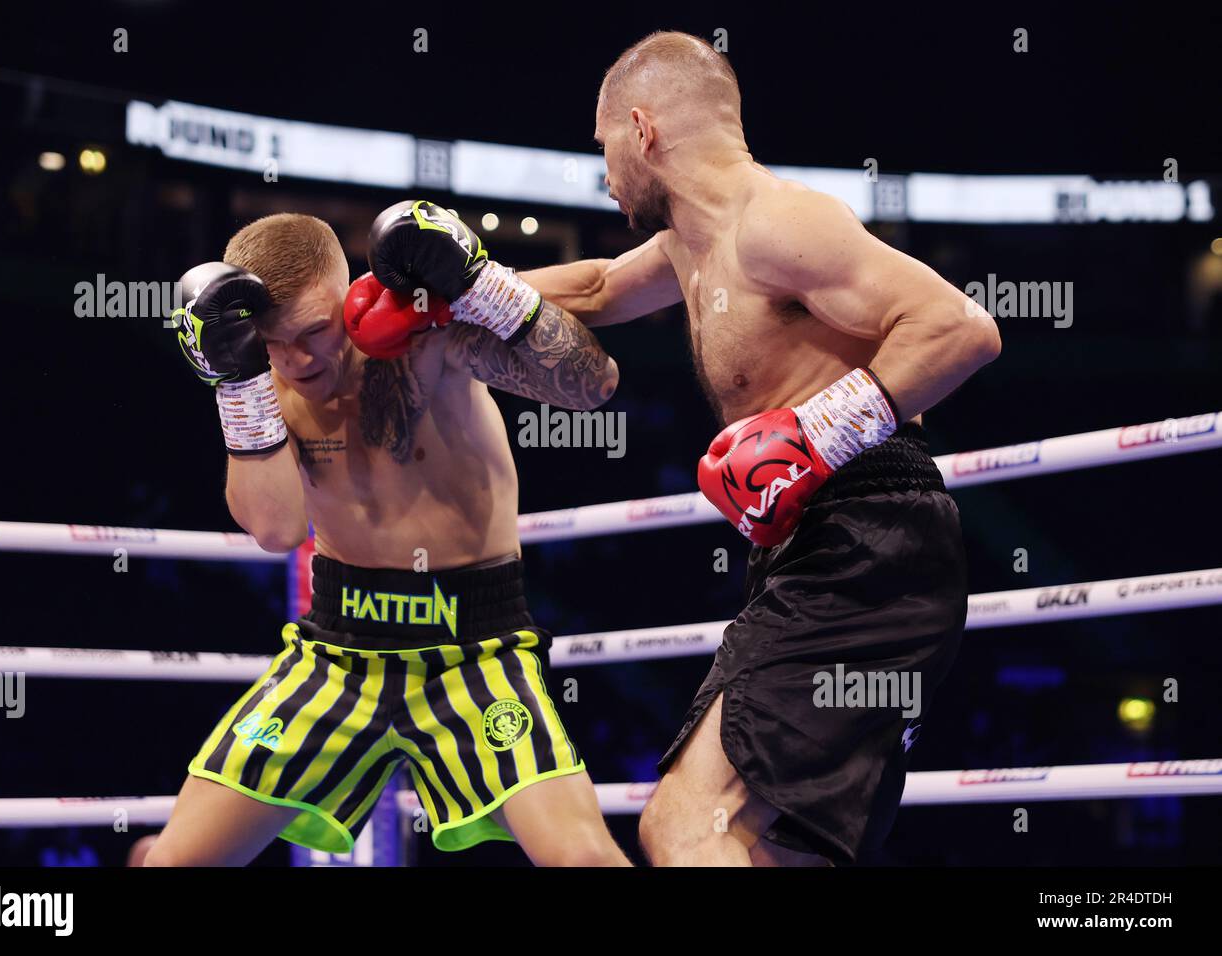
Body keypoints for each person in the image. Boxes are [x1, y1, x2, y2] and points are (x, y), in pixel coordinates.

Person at [520, 31, 1002, 865]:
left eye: (602, 147)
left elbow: (962, 327)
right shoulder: (692, 243)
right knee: (774, 841)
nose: (603, 177)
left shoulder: (779, 222)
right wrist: (452, 286)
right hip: (815, 544)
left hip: (866, 535)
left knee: (684, 825)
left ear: (642, 129)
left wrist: (822, 430)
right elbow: (594, 287)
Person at [144, 208, 630, 866]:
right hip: (338, 653)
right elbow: (276, 529)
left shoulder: (423, 336)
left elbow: (591, 385)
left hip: (476, 650)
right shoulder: (256, 382)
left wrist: (482, 283)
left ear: (349, 294)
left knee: (583, 859)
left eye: (315, 331)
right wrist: (235, 384)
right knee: (175, 860)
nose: (299, 358)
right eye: (274, 340)